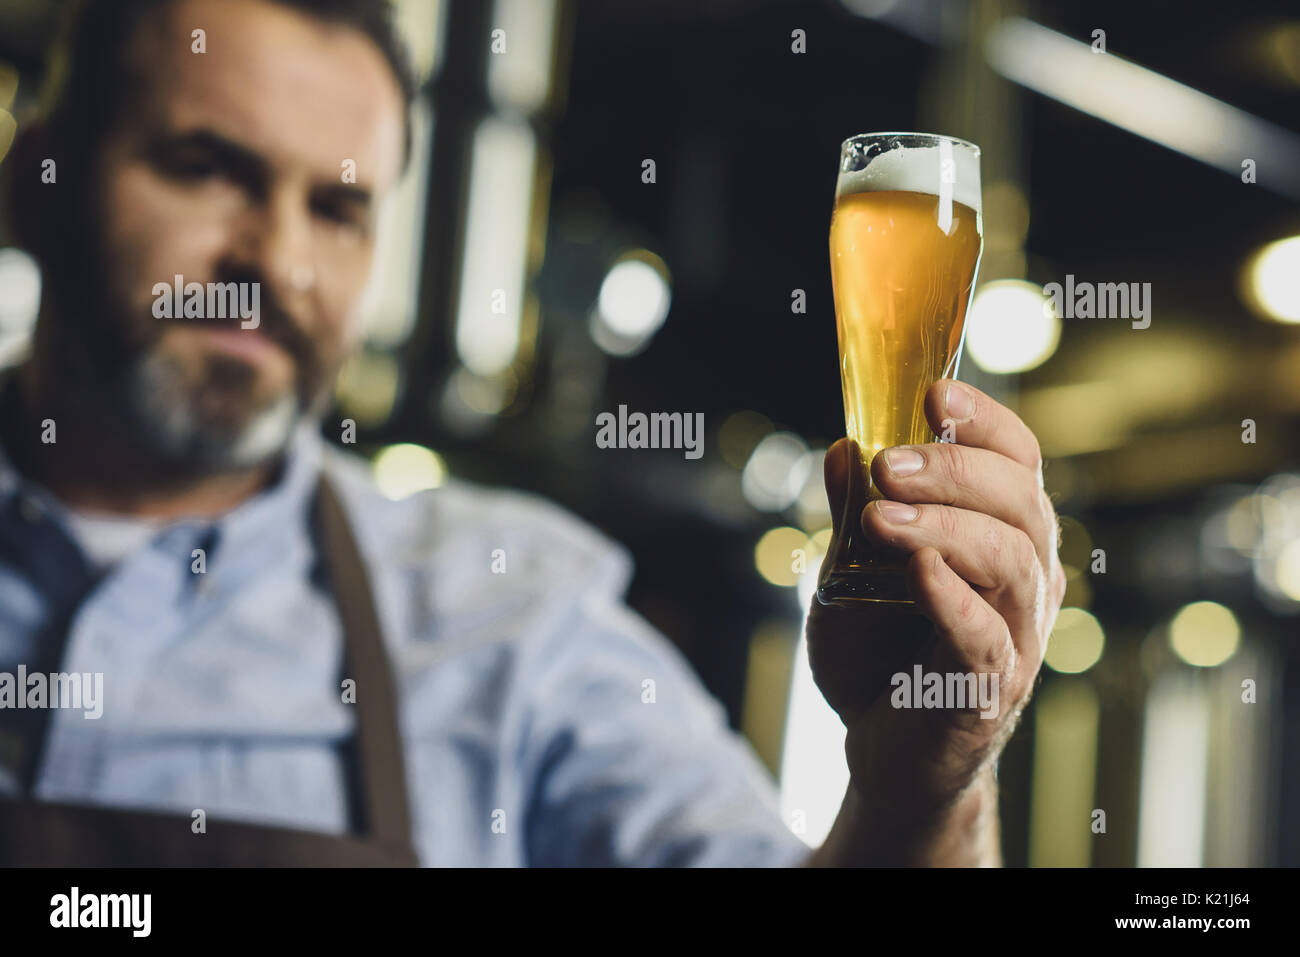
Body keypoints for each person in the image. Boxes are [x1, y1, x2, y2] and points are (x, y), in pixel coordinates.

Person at [0, 0, 1065, 866]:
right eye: (206, 167)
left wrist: (922, 801)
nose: (277, 262)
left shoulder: (508, 615)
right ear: (34, 179)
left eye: (337, 207)